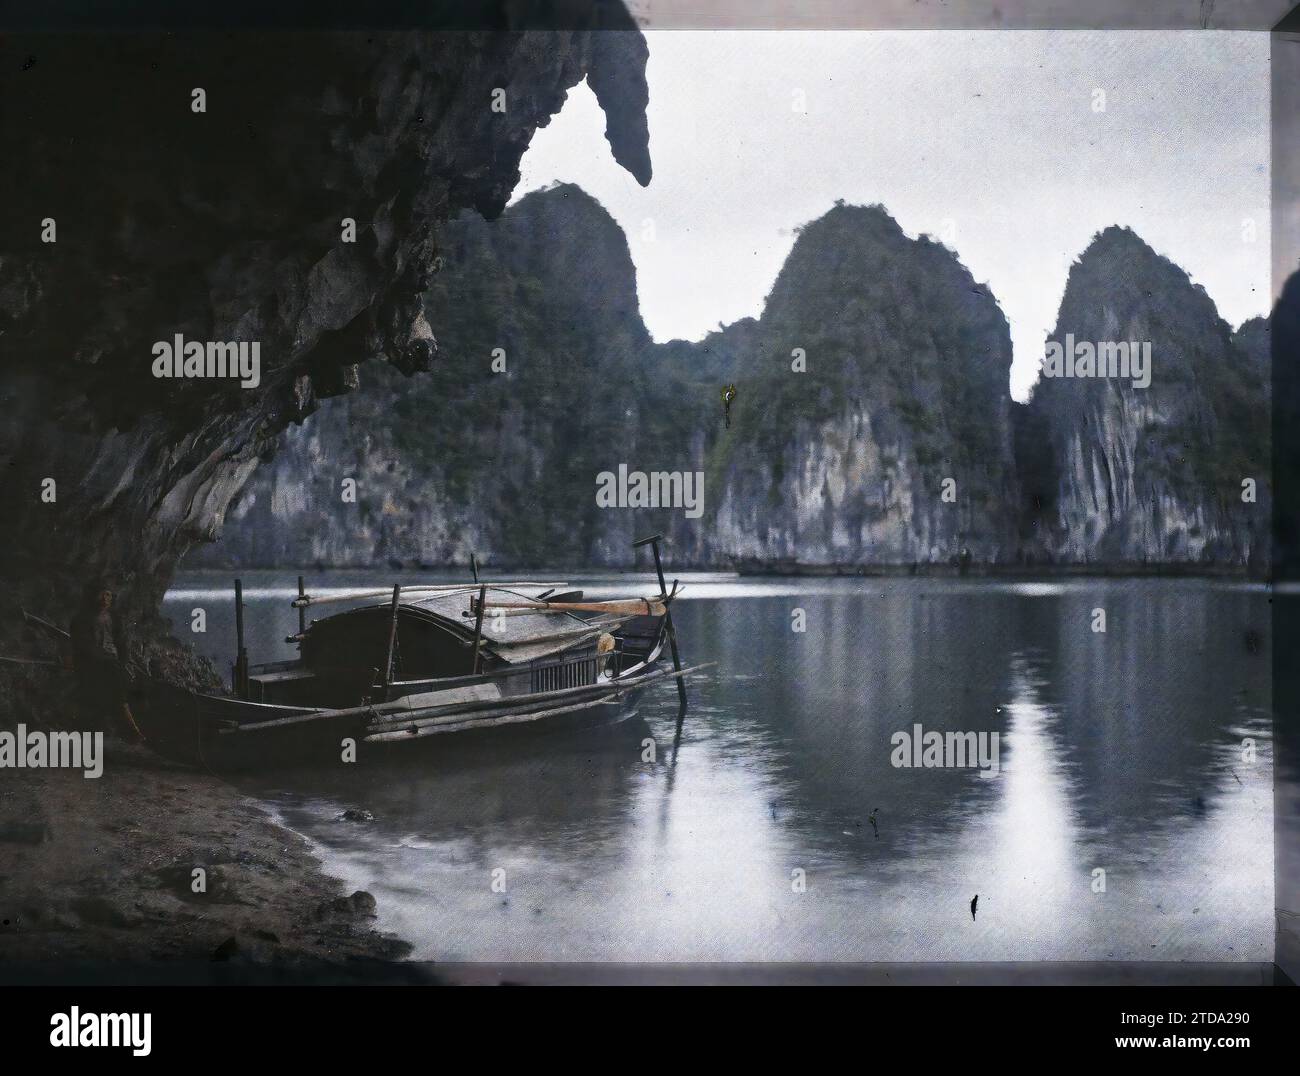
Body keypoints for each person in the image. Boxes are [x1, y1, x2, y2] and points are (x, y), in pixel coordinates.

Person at [69, 582, 145, 742]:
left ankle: (132, 728)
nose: (104, 598)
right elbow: (83, 647)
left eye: (108, 594)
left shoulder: (114, 618)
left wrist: (123, 661)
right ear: (92, 596)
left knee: (123, 688)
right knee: (108, 692)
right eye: (101, 594)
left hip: (113, 663)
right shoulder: (81, 619)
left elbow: (122, 642)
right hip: (92, 664)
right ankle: (129, 730)